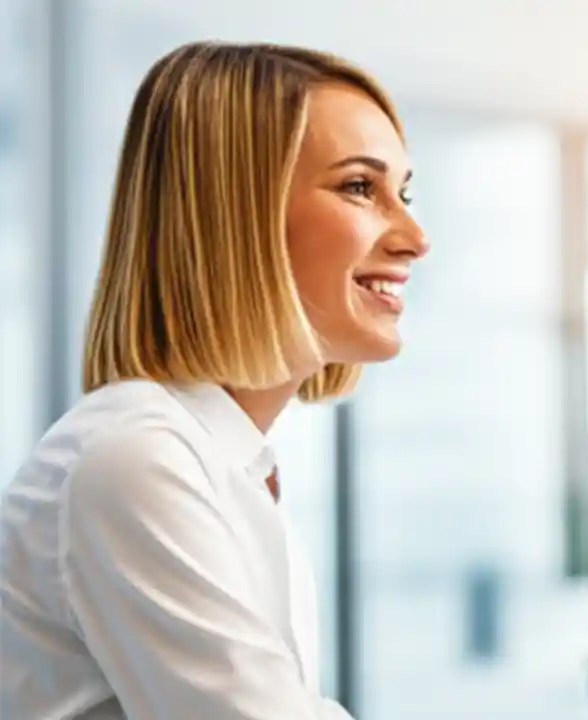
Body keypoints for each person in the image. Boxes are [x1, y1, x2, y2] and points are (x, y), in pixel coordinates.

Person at [0, 41, 427, 719]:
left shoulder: (220, 458)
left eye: (402, 193)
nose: (413, 236)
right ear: (238, 215)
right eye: (359, 188)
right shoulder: (138, 460)